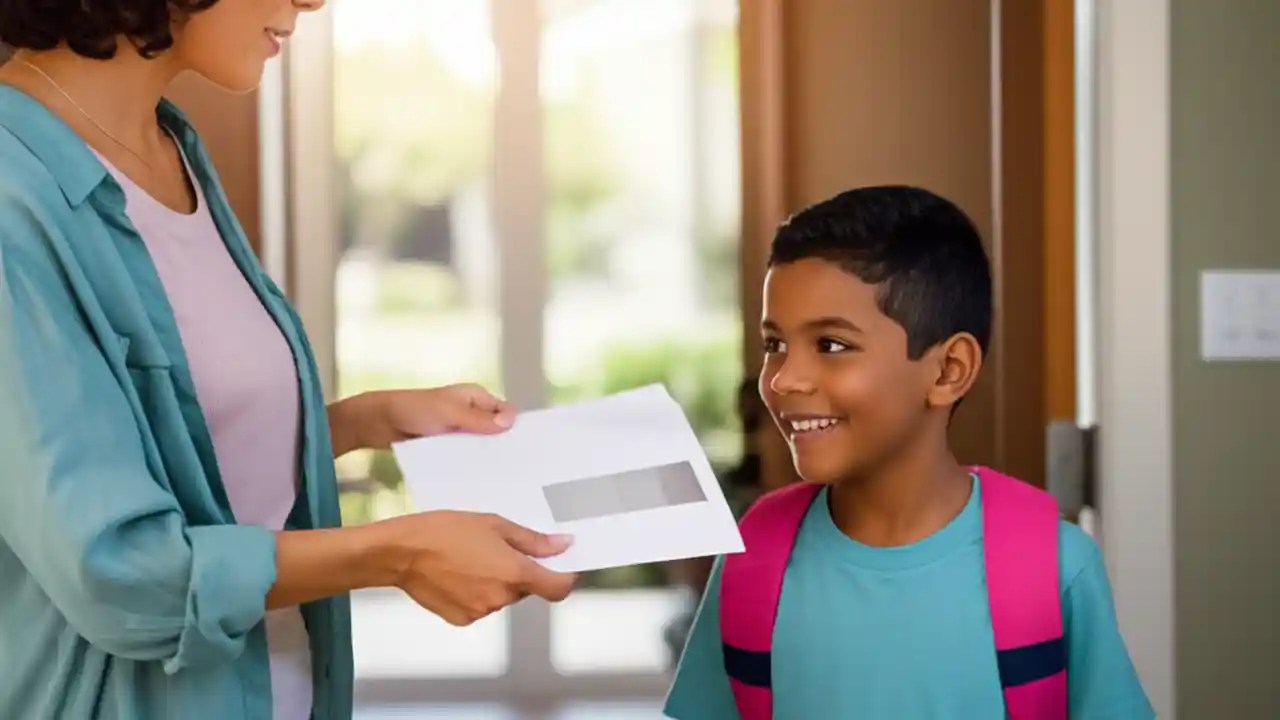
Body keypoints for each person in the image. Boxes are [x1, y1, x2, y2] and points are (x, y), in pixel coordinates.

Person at [0, 1, 577, 718]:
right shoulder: (12, 199)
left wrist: (371, 420)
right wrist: (395, 553)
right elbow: (119, 571)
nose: (312, 1)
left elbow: (180, 458)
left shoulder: (169, 146)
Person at [663, 186, 1153, 719]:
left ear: (948, 371)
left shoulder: (1056, 567)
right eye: (775, 344)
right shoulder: (750, 562)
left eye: (831, 345)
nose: (784, 379)